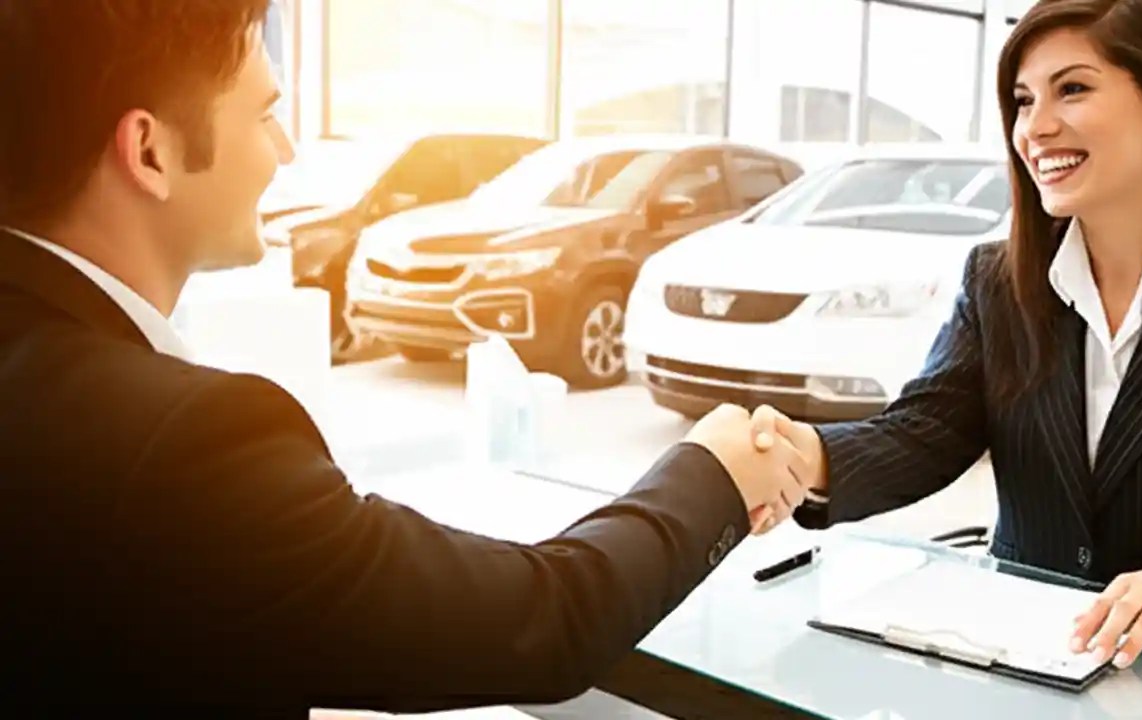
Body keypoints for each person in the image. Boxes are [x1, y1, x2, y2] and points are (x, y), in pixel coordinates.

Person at [0, 2, 810, 716]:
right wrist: (716, 472)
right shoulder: (184, 439)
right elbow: (547, 619)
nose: (284, 151)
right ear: (148, 152)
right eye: (264, 114)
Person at [750, 0, 1142, 672]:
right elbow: (928, 431)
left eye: (1074, 89)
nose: (1036, 128)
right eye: (1023, 101)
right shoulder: (999, 280)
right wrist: (809, 457)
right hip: (1022, 672)